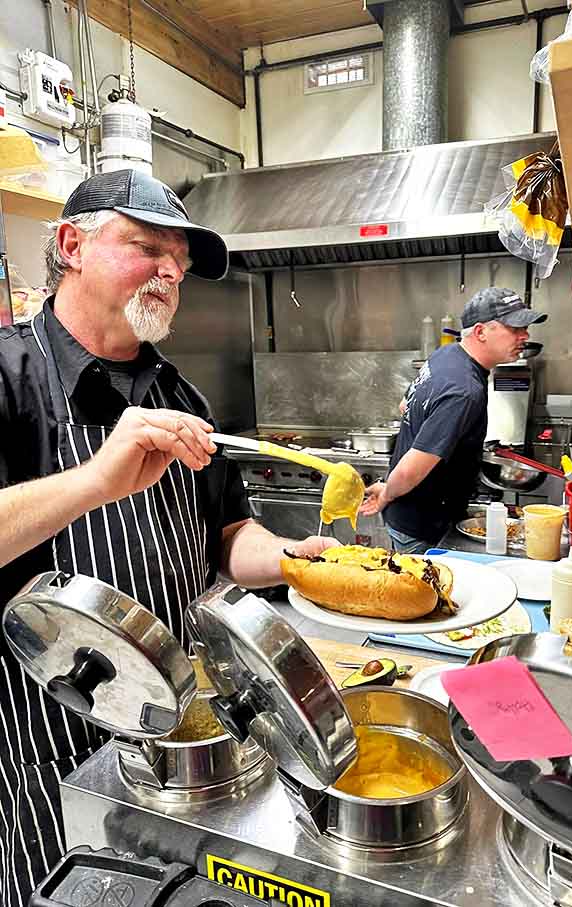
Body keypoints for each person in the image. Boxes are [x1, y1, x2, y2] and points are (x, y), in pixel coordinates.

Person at [0, 169, 338, 906]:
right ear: (71, 245)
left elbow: (226, 538)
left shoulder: (181, 397)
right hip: (51, 745)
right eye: (146, 247)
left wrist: (290, 559)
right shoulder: (9, 376)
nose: (168, 274)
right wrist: (93, 479)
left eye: (177, 265)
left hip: (186, 745)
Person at [360, 287, 548, 554]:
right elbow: (410, 471)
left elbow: (406, 405)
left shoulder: (445, 355)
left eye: (525, 327)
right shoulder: (464, 391)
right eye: (514, 328)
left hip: (408, 511)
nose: (525, 335)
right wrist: (388, 493)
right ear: (481, 332)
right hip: (424, 527)